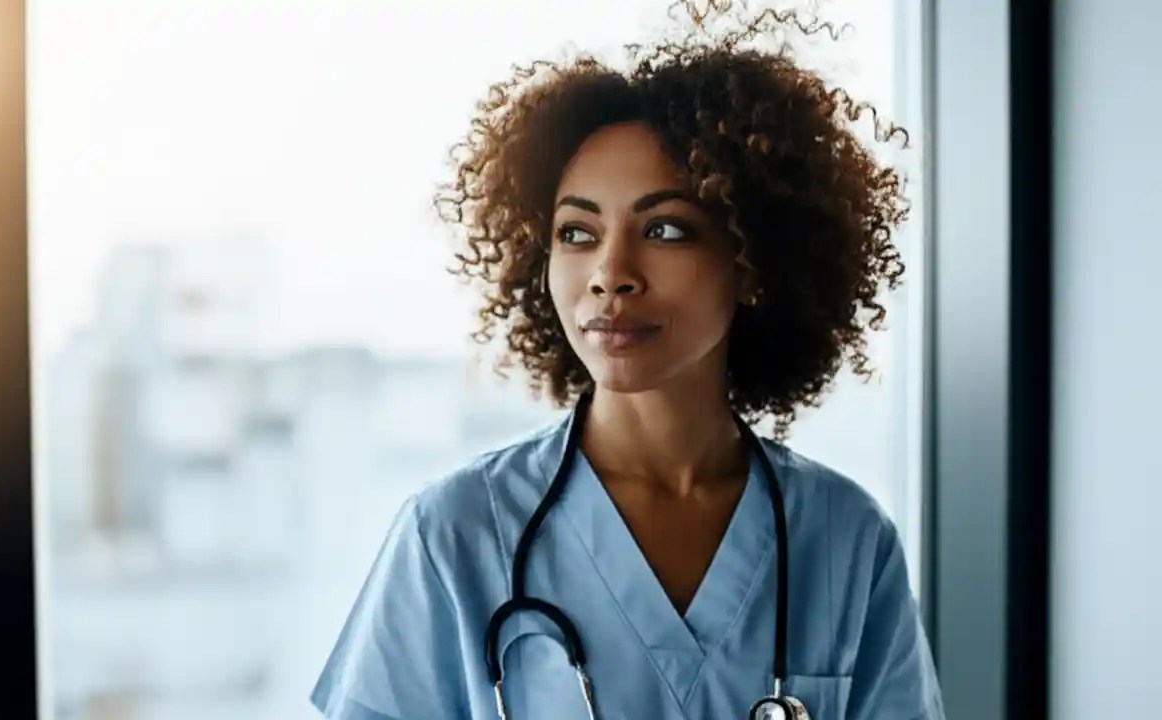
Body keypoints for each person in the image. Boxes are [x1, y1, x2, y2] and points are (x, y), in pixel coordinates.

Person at [311, 2, 944, 718]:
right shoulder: (454, 534)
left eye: (666, 229)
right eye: (577, 233)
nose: (611, 272)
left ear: (752, 262)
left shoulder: (845, 539)